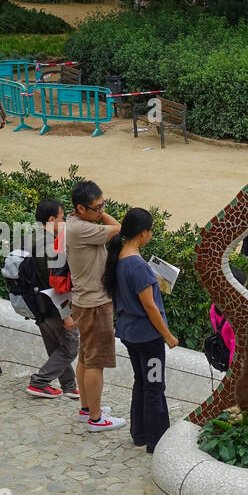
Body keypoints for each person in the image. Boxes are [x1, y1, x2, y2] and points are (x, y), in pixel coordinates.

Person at [102, 208, 178, 453]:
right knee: (155, 385)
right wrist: (167, 335)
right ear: (143, 233)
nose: (151, 234)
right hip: (149, 337)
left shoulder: (118, 259)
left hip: (128, 333)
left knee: (141, 382)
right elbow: (150, 306)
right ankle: (157, 441)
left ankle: (140, 433)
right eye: (150, 230)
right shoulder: (139, 267)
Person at [66, 180, 125, 430]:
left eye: (103, 204)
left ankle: (87, 406)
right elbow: (117, 228)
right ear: (80, 208)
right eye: (97, 207)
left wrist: (97, 210)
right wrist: (103, 215)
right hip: (95, 304)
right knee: (95, 362)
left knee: (85, 357)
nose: (101, 211)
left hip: (83, 301)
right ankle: (96, 418)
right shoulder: (81, 229)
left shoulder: (76, 223)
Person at [25, 199, 80, 400]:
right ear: (51, 219)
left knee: (56, 347)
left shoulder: (28, 238)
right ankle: (40, 382)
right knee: (70, 347)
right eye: (62, 218)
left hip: (35, 305)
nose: (64, 222)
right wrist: (67, 314)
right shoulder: (52, 246)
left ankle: (69, 385)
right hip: (54, 306)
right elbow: (57, 285)